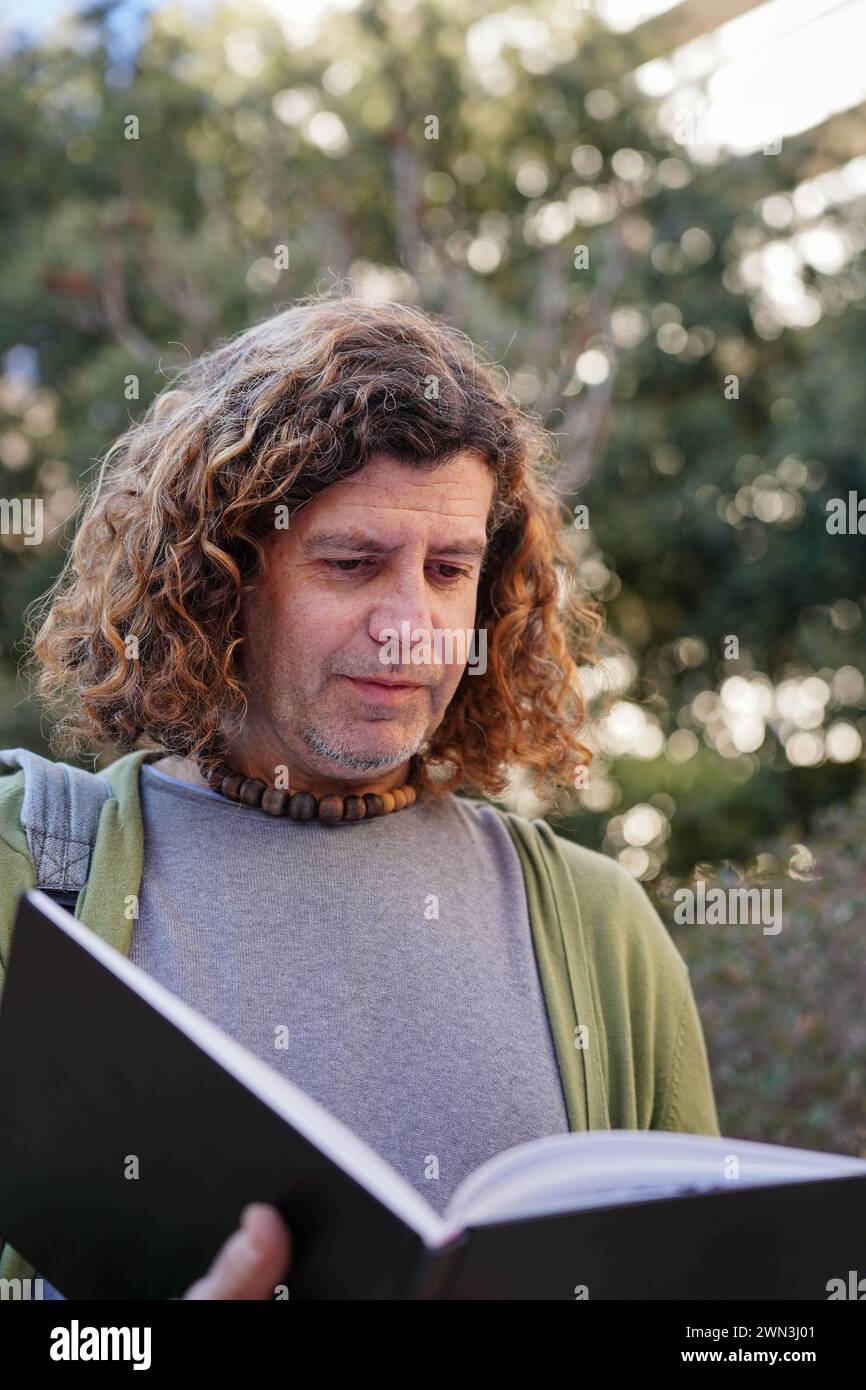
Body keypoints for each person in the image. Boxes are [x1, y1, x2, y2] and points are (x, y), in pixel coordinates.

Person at [0, 294, 718, 1300]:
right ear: (221, 577)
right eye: (351, 563)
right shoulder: (27, 879)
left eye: (448, 569)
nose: (411, 628)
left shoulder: (599, 930)